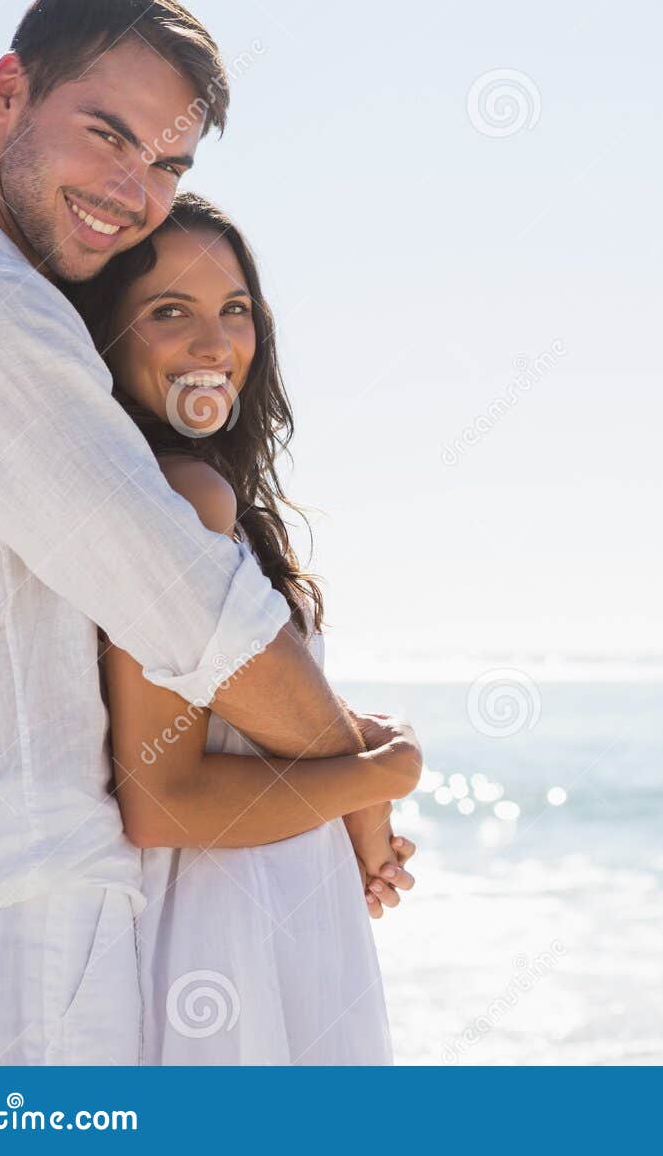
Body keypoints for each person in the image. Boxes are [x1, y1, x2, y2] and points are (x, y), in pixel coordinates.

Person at [0, 0, 418, 1065]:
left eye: (167, 161)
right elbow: (197, 618)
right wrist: (377, 776)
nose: (132, 191)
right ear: (6, 92)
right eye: (107, 133)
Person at [64, 192, 412, 1062]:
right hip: (228, 943)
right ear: (105, 333)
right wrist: (382, 773)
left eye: (235, 310)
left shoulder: (198, 494)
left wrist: (351, 760)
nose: (215, 344)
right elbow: (162, 799)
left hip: (267, 917)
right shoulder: (185, 496)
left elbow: (236, 714)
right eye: (169, 310)